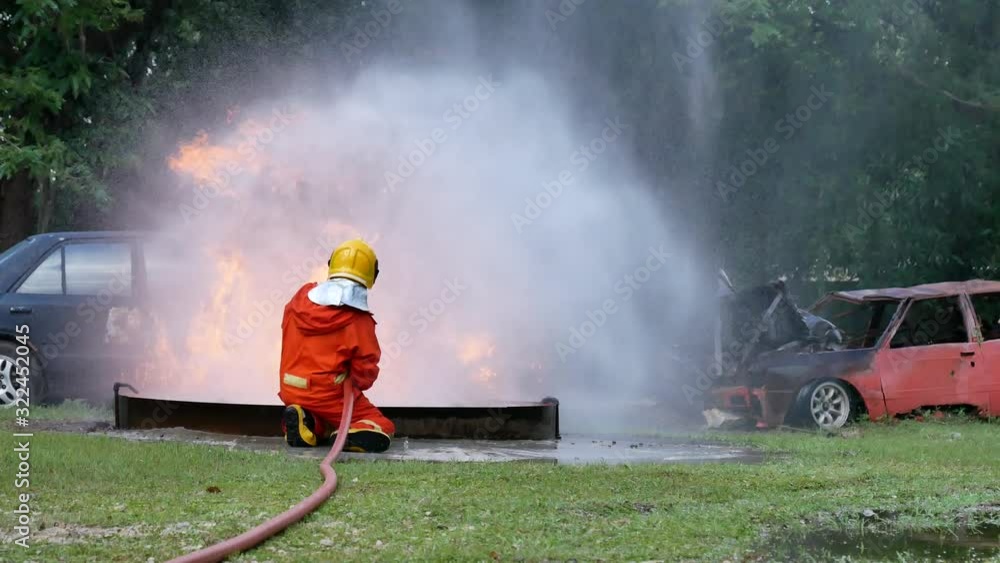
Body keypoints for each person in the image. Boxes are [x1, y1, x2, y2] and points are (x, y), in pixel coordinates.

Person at [277, 238, 395, 452]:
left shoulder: (299, 299)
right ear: (373, 276)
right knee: (382, 425)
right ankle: (348, 434)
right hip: (328, 394)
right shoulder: (358, 320)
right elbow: (365, 374)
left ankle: (307, 420)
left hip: (290, 389)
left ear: (331, 265)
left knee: (322, 418)